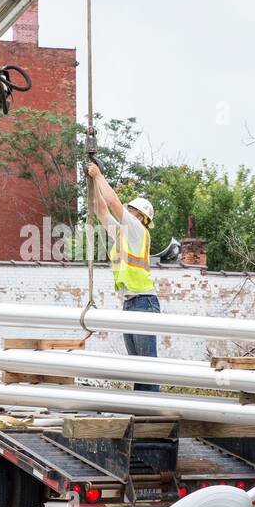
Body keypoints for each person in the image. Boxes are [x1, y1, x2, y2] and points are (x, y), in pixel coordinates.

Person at [88, 163, 160, 391]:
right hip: (131, 303)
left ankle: (151, 417)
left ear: (139, 216)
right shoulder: (124, 233)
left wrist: (99, 174)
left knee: (146, 369)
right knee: (137, 367)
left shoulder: (138, 229)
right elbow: (102, 211)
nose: (126, 212)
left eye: (131, 210)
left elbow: (113, 204)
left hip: (143, 302)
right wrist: (92, 183)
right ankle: (142, 414)